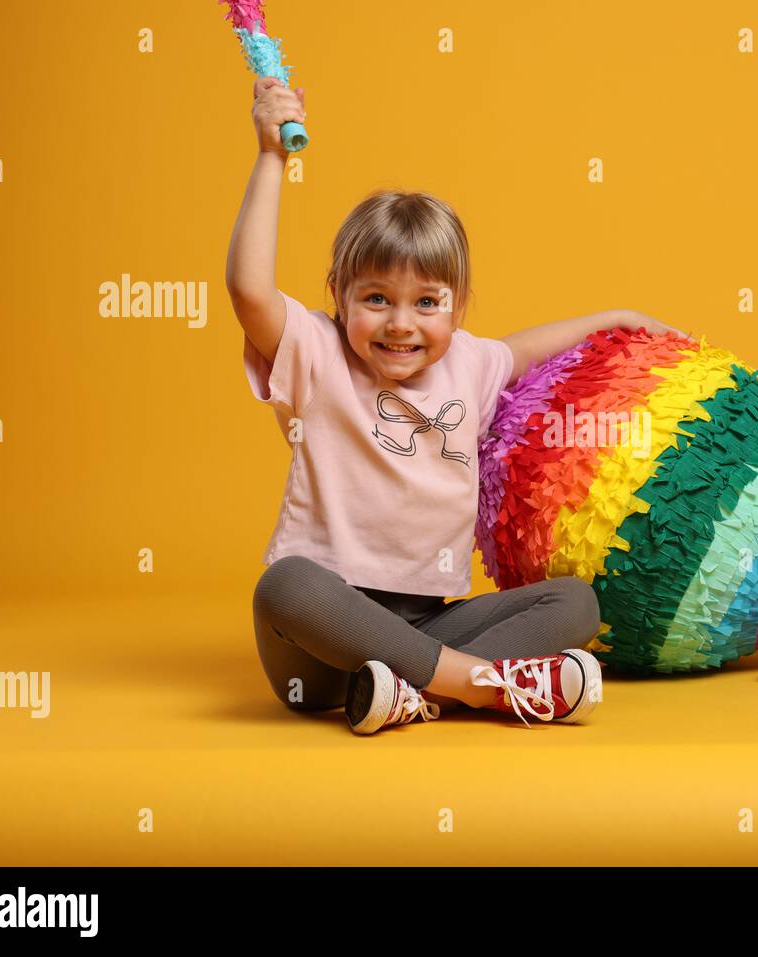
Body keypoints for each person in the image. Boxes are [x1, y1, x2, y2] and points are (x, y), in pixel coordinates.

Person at [227, 77, 683, 733]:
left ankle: (410, 694)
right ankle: (473, 685)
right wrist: (272, 155)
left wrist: (622, 315)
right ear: (338, 296)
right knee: (284, 583)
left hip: (426, 623)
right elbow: (247, 288)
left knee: (576, 603)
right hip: (324, 653)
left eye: (427, 302)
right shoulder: (315, 353)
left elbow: (539, 344)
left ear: (457, 307)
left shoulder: (471, 363)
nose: (401, 324)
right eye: (376, 298)